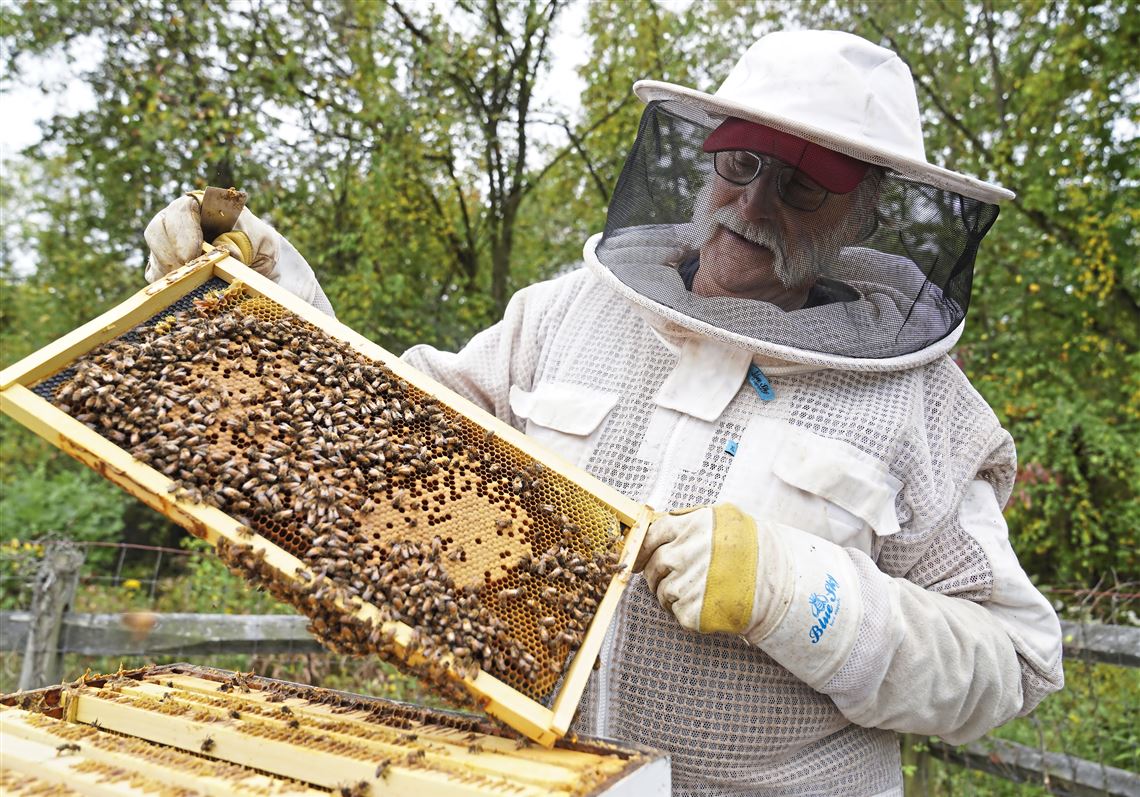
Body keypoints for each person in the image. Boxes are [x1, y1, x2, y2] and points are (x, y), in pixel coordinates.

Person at [144, 29, 1064, 796]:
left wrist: (801, 593)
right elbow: (389, 437)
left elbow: (1013, 660)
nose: (752, 201)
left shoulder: (925, 405)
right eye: (739, 164)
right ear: (704, 159)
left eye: (801, 185)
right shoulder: (565, 314)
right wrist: (264, 305)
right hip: (533, 778)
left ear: (862, 213)